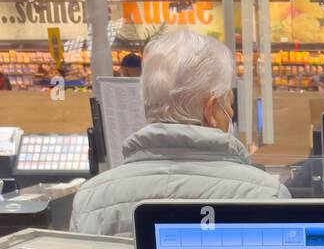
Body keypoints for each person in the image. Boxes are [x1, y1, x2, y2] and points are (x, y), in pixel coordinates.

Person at [70, 30, 287, 236]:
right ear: (210, 109)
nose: (230, 112)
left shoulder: (89, 199)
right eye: (229, 103)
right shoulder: (267, 195)